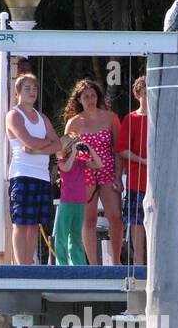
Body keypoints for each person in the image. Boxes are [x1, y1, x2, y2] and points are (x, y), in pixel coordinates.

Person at [63, 79, 123, 266]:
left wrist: (118, 176)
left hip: (107, 170)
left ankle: (117, 260)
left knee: (115, 216)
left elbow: (118, 149)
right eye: (86, 96)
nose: (90, 99)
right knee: (88, 220)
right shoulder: (73, 123)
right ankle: (93, 264)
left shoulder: (110, 117)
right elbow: (66, 152)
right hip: (85, 173)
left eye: (93, 95)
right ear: (79, 99)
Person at [6, 73, 62, 265]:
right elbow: (28, 140)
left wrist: (37, 149)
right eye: (27, 88)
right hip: (22, 174)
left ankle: (29, 264)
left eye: (35, 88)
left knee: (34, 224)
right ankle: (21, 266)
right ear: (18, 92)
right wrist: (44, 144)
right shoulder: (14, 115)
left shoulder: (42, 117)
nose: (32, 92)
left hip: (42, 176)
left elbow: (58, 145)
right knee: (21, 223)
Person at [53, 135, 102, 265]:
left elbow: (99, 164)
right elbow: (67, 168)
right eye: (71, 146)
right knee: (62, 234)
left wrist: (90, 149)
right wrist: (74, 152)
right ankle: (61, 263)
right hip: (67, 202)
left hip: (80, 202)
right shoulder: (62, 162)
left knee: (76, 235)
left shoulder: (81, 163)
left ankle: (78, 263)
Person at [117, 75, 149, 264]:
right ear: (138, 94)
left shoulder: (160, 118)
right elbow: (122, 149)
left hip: (157, 182)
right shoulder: (131, 118)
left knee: (155, 223)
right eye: (146, 92)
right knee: (136, 223)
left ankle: (154, 263)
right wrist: (144, 161)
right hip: (137, 180)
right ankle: (138, 263)